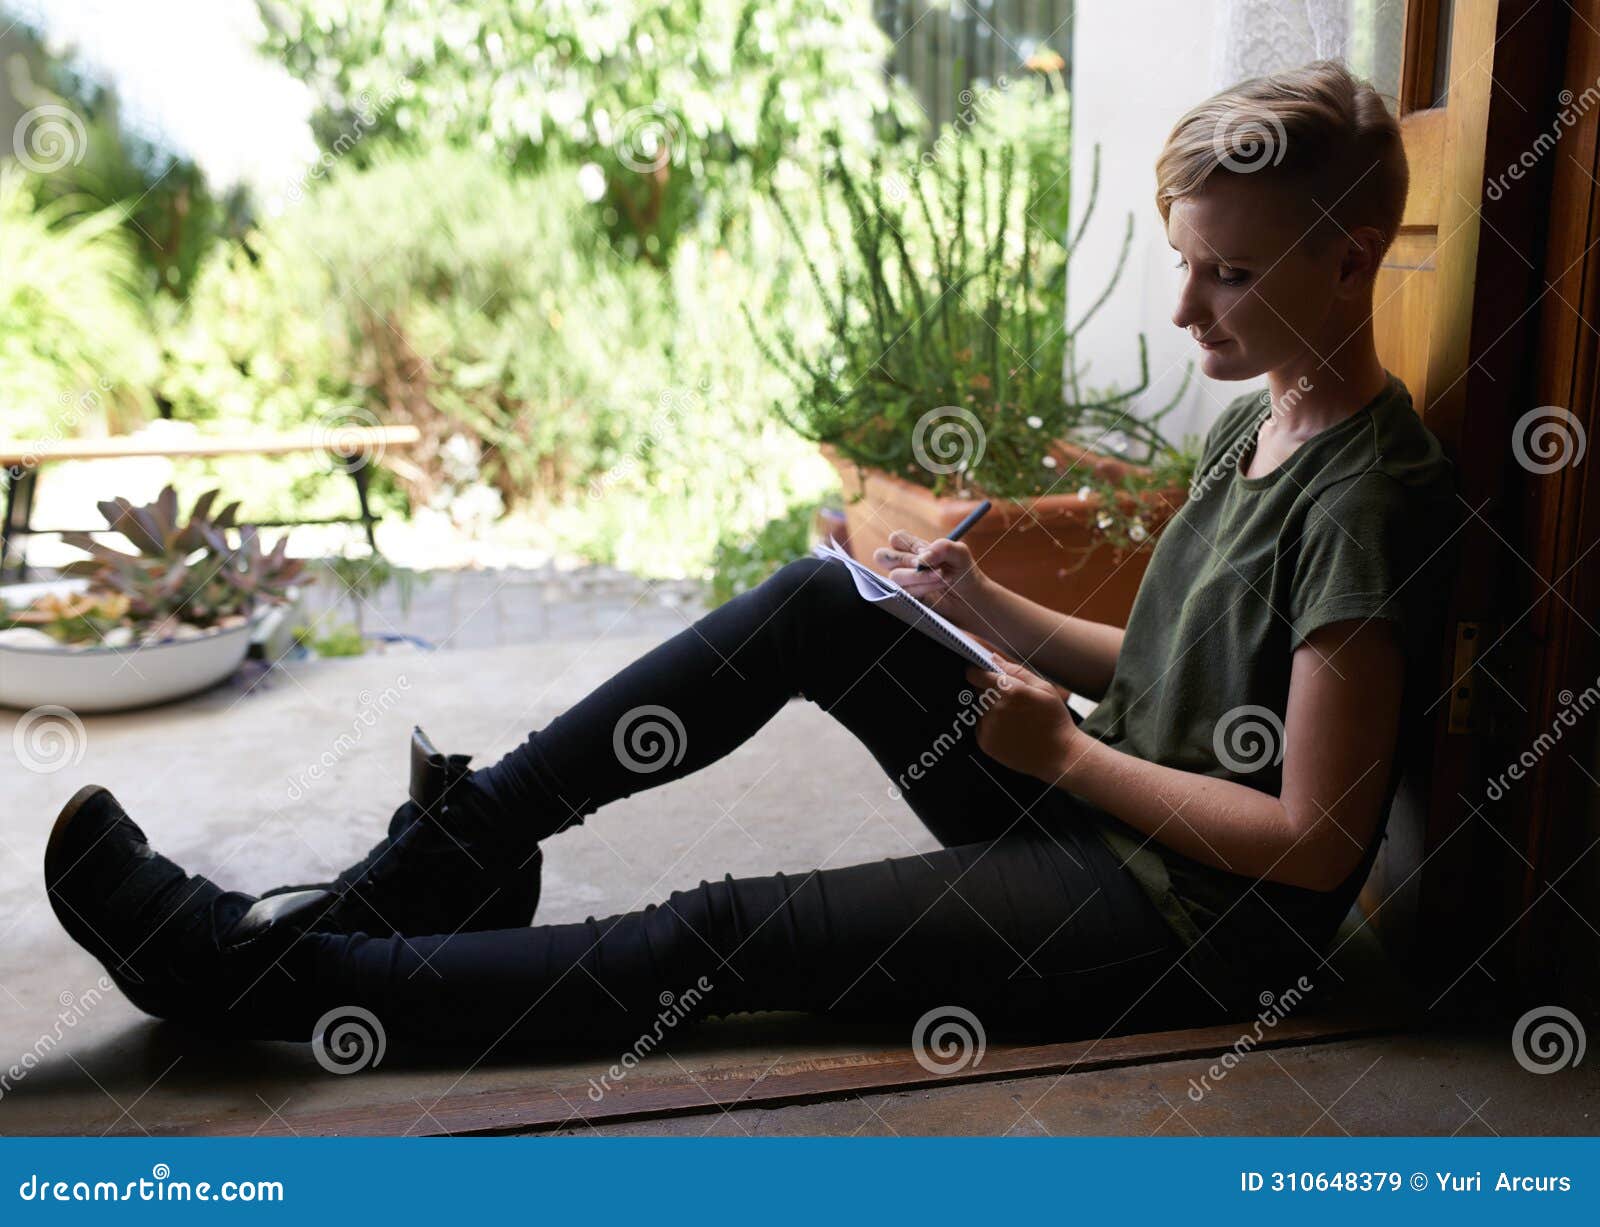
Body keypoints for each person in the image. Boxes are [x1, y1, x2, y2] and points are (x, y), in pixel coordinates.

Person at [44, 59, 1459, 1056]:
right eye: (1185, 260)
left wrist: (1076, 764)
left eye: (1230, 272)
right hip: (1107, 819)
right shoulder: (1258, 420)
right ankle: (455, 854)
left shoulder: (1368, 499)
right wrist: (987, 610)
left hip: (1196, 924)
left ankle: (268, 976)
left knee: (722, 935)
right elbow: (1160, 666)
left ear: (1350, 259)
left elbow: (1314, 842)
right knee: (814, 603)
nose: (1185, 307)